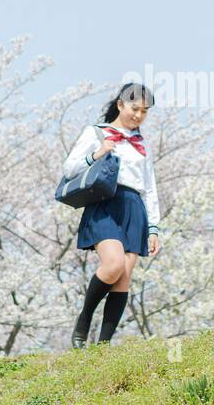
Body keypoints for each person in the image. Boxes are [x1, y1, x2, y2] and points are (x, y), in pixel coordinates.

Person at [62, 83, 161, 347]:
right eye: (134, 108)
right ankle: (83, 321)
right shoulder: (97, 133)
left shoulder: (142, 144)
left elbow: (149, 188)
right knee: (113, 264)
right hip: (105, 203)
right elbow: (69, 168)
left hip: (134, 209)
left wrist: (154, 228)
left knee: (124, 277)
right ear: (120, 105)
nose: (138, 115)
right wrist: (98, 153)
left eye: (144, 111)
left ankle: (103, 345)